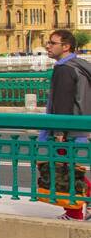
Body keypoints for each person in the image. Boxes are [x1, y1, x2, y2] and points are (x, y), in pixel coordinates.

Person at [38, 29, 91, 220]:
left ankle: (74, 212)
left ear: (66, 46)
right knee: (74, 169)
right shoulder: (82, 65)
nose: (48, 46)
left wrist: (59, 131)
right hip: (82, 125)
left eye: (52, 43)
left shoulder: (64, 69)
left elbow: (62, 102)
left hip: (67, 130)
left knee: (67, 171)